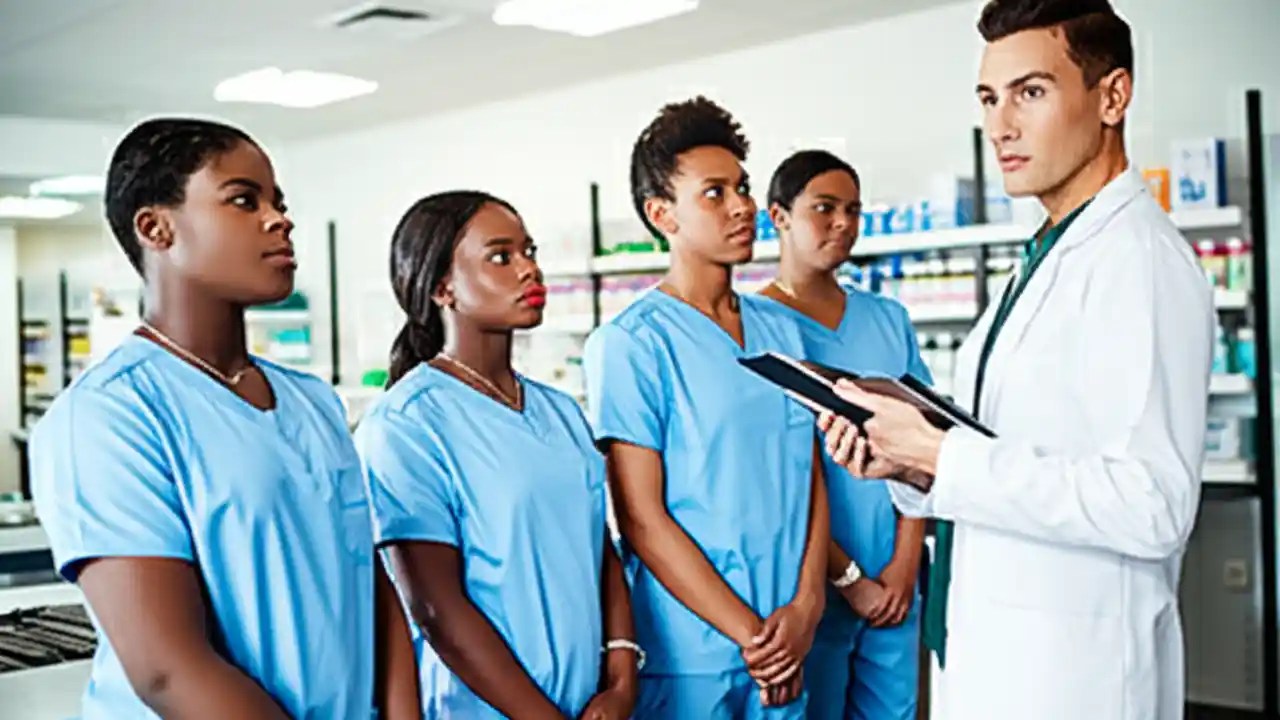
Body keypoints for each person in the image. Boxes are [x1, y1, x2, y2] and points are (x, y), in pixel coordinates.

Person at [818, 1, 1213, 718]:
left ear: (1112, 96)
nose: (1000, 125)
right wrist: (911, 464)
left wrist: (945, 457)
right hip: (1001, 655)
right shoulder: (1045, 255)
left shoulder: (1141, 262)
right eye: (989, 98)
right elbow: (1011, 450)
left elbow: (1153, 505)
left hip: (1079, 675)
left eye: (1030, 92)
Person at [28, 118, 418, 718]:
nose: (278, 219)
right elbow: (168, 669)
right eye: (243, 200)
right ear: (156, 228)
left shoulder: (312, 401)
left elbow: (369, 585)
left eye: (278, 202)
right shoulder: (109, 416)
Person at [583, 96, 830, 719]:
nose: (743, 205)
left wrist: (806, 608)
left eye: (742, 188)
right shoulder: (632, 345)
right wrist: (753, 636)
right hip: (697, 652)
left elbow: (811, 475)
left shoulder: (786, 331)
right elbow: (641, 518)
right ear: (661, 214)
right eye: (714, 193)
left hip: (791, 640)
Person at [353, 190, 639, 720]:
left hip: (590, 703)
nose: (529, 269)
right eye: (501, 256)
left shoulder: (560, 411)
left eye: (529, 251)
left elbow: (599, 550)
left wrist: (621, 679)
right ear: (443, 287)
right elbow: (437, 608)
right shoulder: (406, 424)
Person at [759, 149, 928, 720]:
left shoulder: (886, 320)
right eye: (824, 208)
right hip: (813, 587)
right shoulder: (757, 330)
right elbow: (778, 475)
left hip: (895, 579)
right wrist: (850, 580)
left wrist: (905, 564)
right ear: (778, 216)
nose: (842, 224)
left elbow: (924, 442)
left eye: (853, 210)